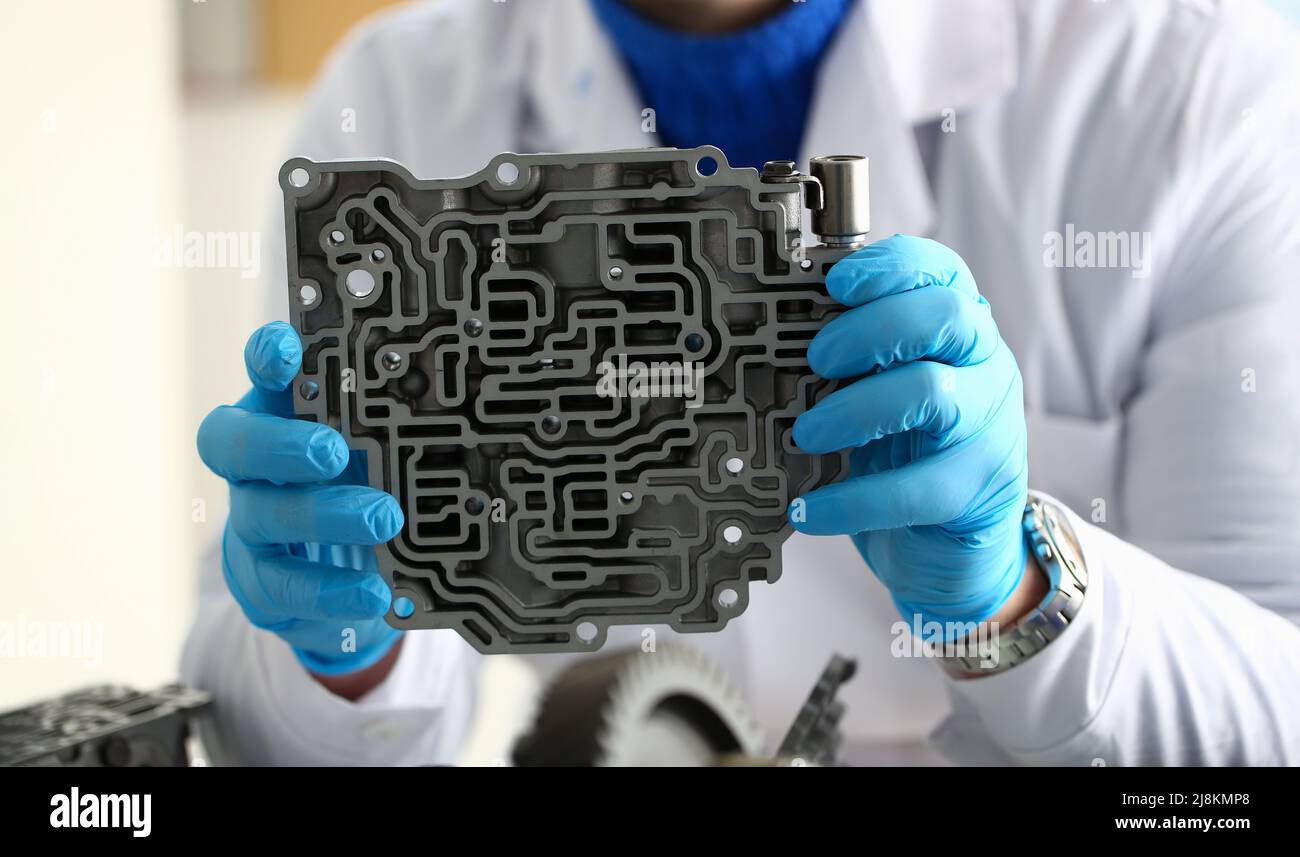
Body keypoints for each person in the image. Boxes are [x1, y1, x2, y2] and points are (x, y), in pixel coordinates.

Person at [187, 0, 1300, 765]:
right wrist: (342, 658)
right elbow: (249, 722)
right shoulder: (394, 95)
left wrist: (1018, 594)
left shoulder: (1191, 81)